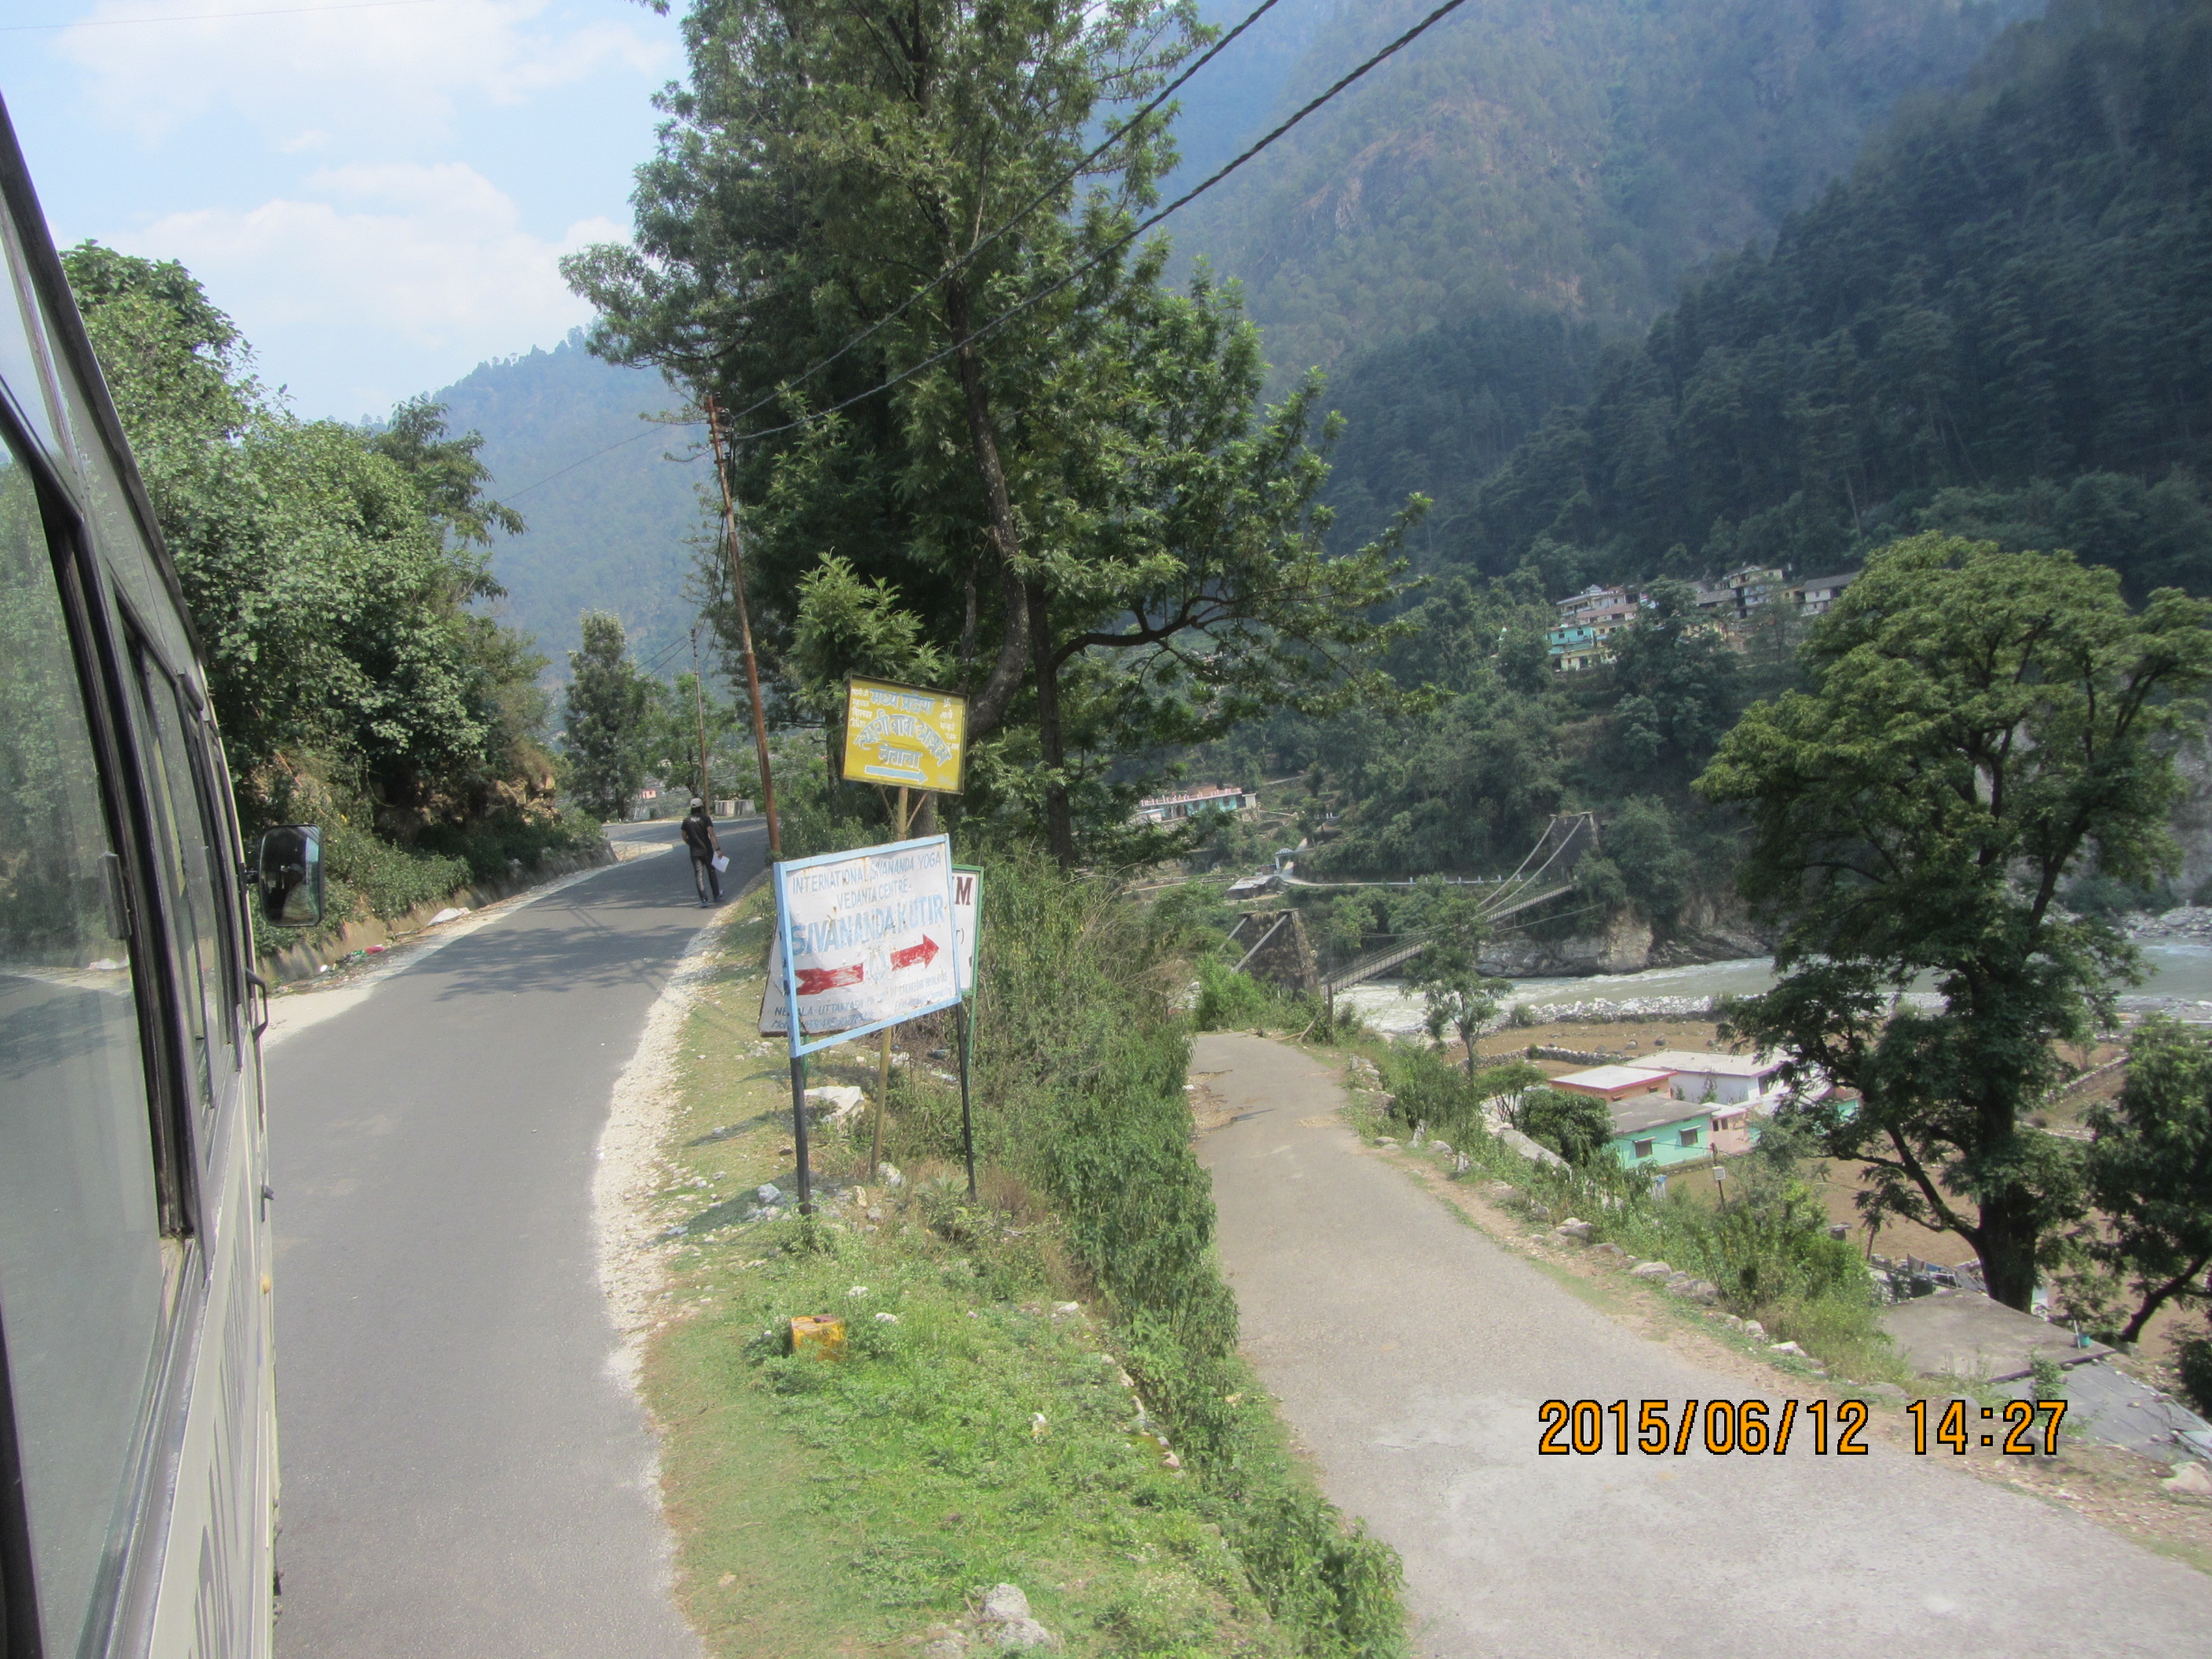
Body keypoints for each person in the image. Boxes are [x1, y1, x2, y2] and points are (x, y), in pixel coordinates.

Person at [680, 797, 722, 906]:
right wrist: (717, 849)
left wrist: (691, 844)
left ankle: (704, 899)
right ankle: (716, 895)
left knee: (699, 875)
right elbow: (711, 834)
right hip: (707, 850)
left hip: (695, 852)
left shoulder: (686, 820)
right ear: (701, 807)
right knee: (711, 872)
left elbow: (684, 836)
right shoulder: (705, 819)